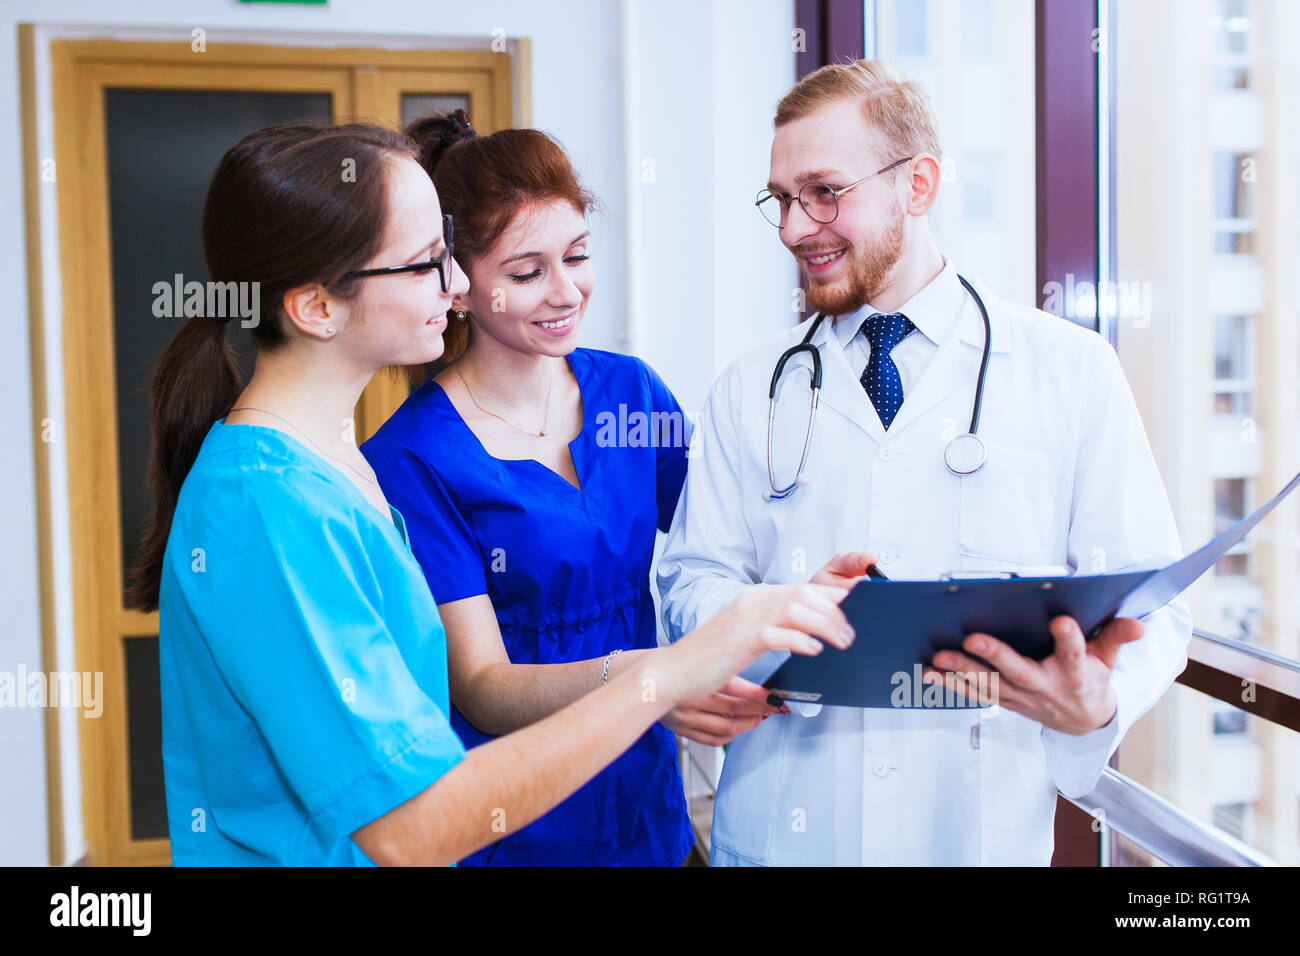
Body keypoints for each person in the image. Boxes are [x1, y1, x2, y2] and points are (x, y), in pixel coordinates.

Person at [130, 120, 854, 866]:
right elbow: (412, 824)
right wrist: (666, 673)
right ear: (316, 307)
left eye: (446, 258)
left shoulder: (337, 473)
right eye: (423, 265)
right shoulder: (268, 509)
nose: (453, 285)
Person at [657, 60, 1193, 866]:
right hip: (787, 829)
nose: (794, 229)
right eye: (782, 199)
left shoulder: (1069, 371)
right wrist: (777, 621)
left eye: (824, 191)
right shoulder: (749, 389)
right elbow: (691, 581)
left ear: (918, 184)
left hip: (974, 831)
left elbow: (1153, 598)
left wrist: (1099, 703)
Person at [360, 110, 785, 866]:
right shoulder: (410, 458)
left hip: (647, 798)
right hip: (517, 818)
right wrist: (656, 680)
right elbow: (485, 686)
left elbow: (722, 542)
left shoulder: (630, 393)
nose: (567, 293)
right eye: (527, 273)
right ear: (456, 284)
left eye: (578, 256)